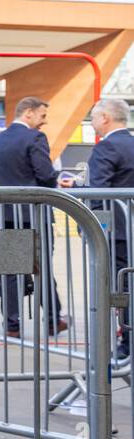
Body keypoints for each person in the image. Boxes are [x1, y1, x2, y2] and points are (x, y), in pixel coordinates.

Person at [0, 96, 71, 339]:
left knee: (8, 270)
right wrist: (57, 179)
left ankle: (12, 325)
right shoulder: (35, 138)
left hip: (3, 214)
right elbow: (44, 174)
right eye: (42, 116)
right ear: (29, 113)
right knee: (41, 269)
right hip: (33, 214)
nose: (44, 122)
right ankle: (53, 320)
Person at [87, 98, 134, 359]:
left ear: (105, 117)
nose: (93, 124)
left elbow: (99, 194)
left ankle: (128, 343)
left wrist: (96, 230)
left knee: (123, 286)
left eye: (94, 118)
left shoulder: (106, 148)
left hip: (119, 232)